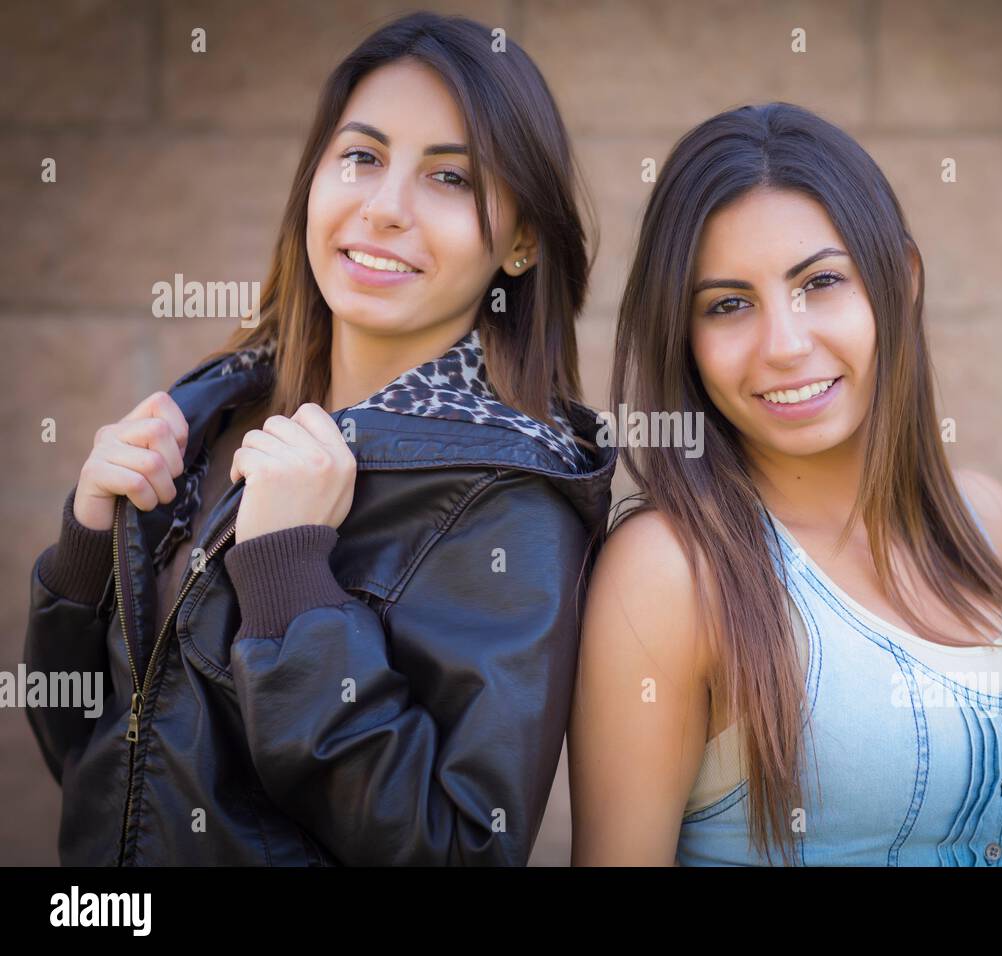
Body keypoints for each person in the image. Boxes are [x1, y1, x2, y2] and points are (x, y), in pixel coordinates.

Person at [568, 102, 1002, 866]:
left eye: (819, 282)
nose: (785, 346)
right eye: (729, 305)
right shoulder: (670, 572)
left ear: (903, 280)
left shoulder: (988, 521)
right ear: (683, 337)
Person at [25, 12, 614, 866]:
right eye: (362, 157)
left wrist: (293, 581)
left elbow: (456, 849)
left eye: (450, 178)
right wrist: (88, 547)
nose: (384, 209)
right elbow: (90, 755)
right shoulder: (210, 417)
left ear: (522, 242)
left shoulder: (509, 503)